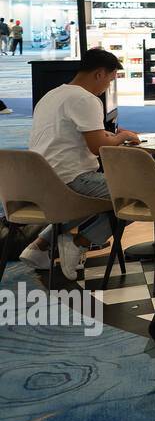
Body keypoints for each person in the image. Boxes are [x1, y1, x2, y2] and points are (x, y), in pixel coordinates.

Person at [19, 49, 140, 277]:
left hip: (40, 182)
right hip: (71, 179)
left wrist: (109, 135)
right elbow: (98, 147)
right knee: (138, 194)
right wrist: (122, 137)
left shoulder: (52, 95)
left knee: (103, 196)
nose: (107, 87)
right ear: (99, 74)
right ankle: (80, 242)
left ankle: (39, 246)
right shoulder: (86, 99)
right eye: (110, 80)